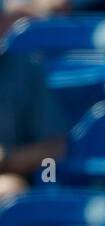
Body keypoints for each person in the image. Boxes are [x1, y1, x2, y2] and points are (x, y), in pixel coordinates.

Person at [0, 35, 67, 197]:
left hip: (7, 179)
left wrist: (8, 158)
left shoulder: (25, 68)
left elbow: (54, 149)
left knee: (10, 189)